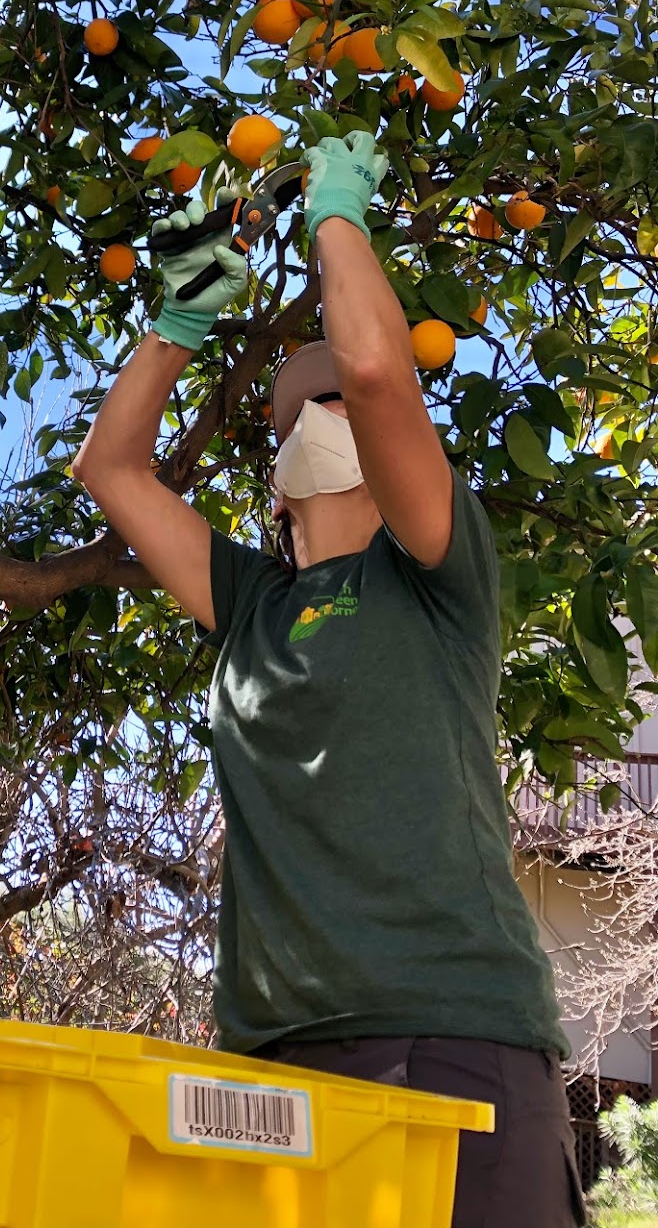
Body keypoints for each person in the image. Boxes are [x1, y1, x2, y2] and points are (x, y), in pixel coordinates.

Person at [72, 132, 586, 1228]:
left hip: (450, 1032)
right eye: (306, 409)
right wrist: (175, 327)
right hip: (273, 1065)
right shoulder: (249, 602)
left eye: (346, 404)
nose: (336, 411)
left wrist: (334, 212)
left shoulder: (435, 572)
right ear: (277, 472)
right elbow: (109, 468)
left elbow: (378, 370)